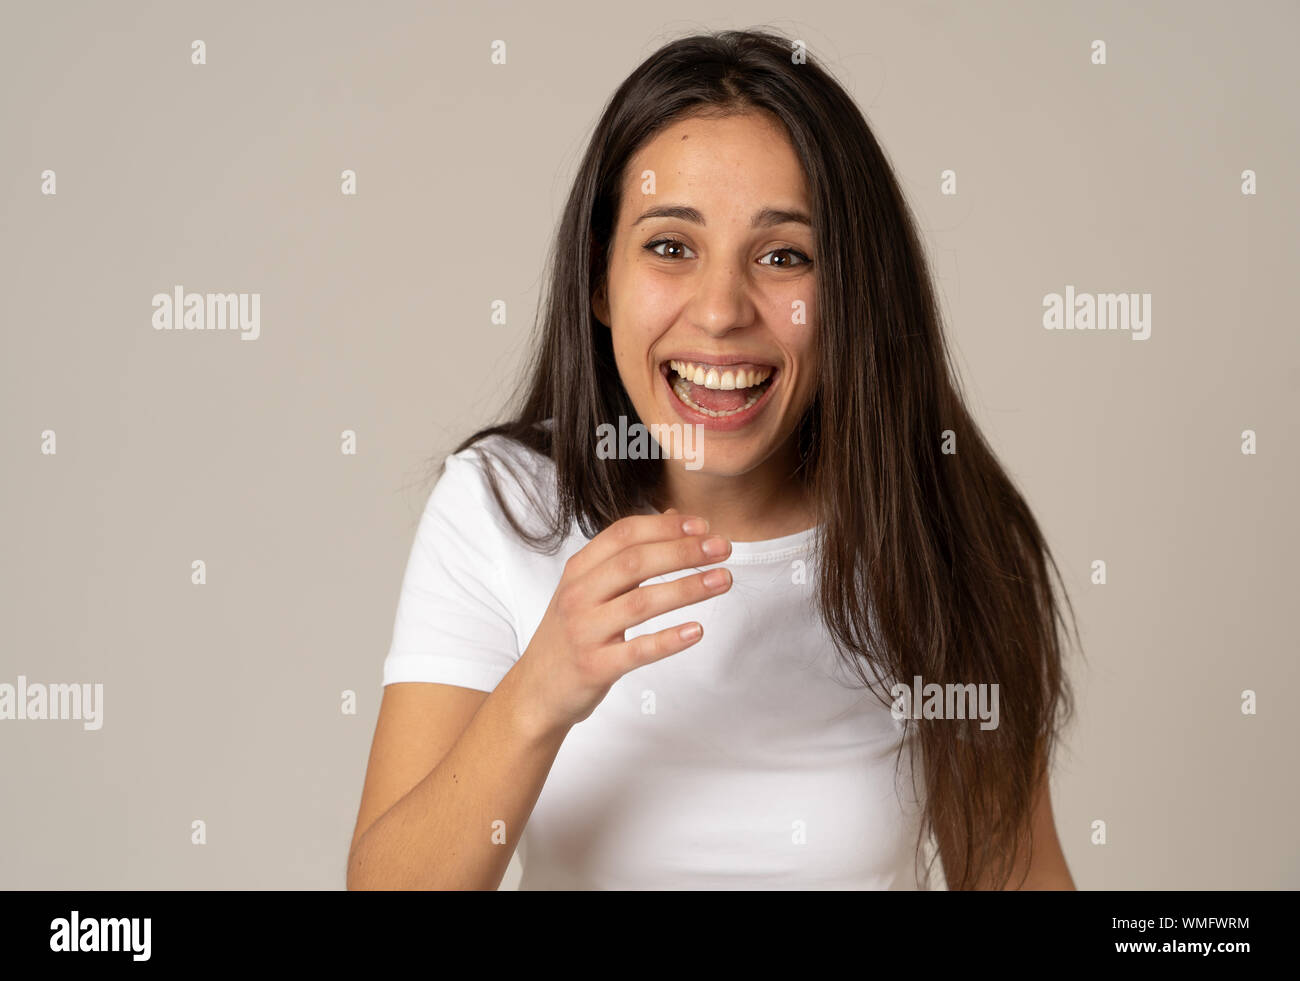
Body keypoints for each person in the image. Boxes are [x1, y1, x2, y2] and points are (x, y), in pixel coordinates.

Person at [347, 28, 1078, 890]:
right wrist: (539, 691)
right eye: (669, 246)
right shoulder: (500, 506)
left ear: (849, 293)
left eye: (783, 256)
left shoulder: (941, 527)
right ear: (598, 278)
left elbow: (1015, 878)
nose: (723, 309)